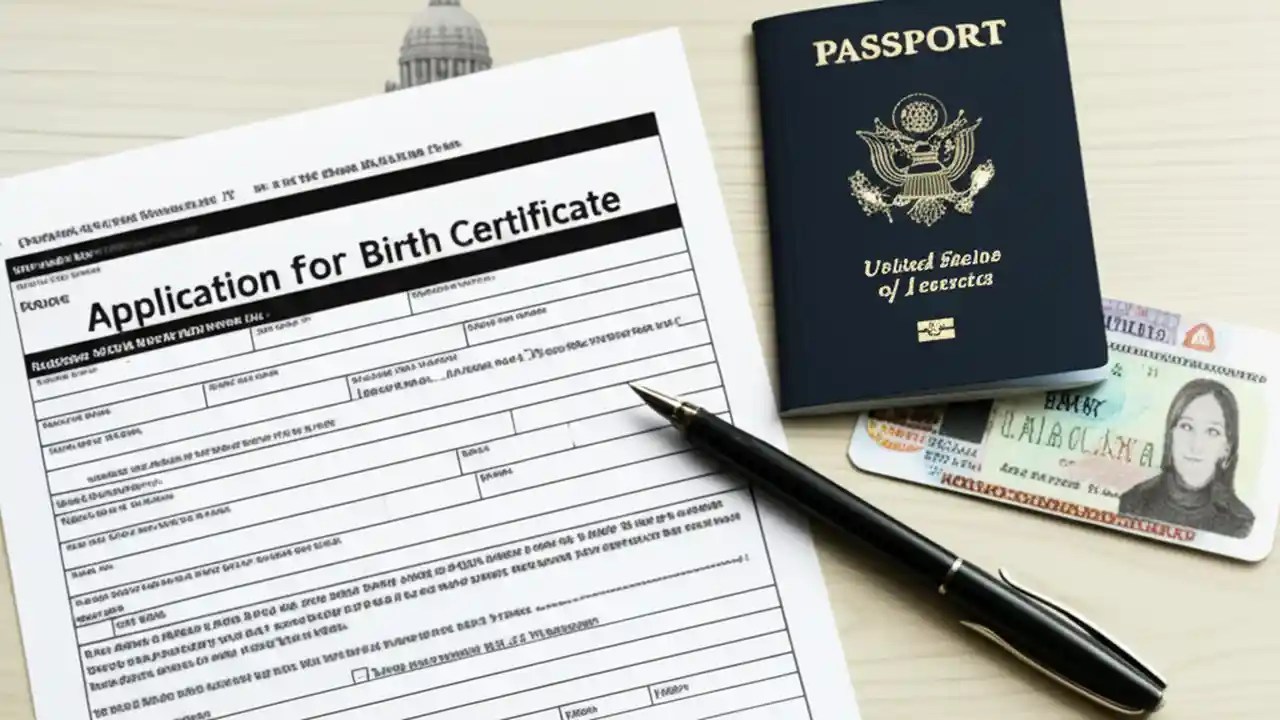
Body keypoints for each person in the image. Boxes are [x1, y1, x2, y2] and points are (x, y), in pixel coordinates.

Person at [1118, 378, 1255, 538]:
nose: (1196, 445)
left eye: (1212, 432)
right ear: (1171, 435)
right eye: (1187, 427)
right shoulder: (1134, 503)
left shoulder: (1240, 522)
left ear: (1226, 449)